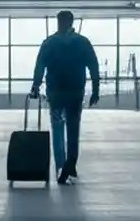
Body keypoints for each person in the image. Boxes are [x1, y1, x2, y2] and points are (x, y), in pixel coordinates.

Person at [29, 10, 100, 184]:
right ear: (72, 22)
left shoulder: (49, 43)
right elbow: (93, 66)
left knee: (58, 128)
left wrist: (36, 86)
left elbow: (40, 65)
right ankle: (71, 163)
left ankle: (61, 164)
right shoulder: (83, 42)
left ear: (58, 22)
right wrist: (96, 89)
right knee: (73, 129)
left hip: (56, 92)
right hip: (75, 92)